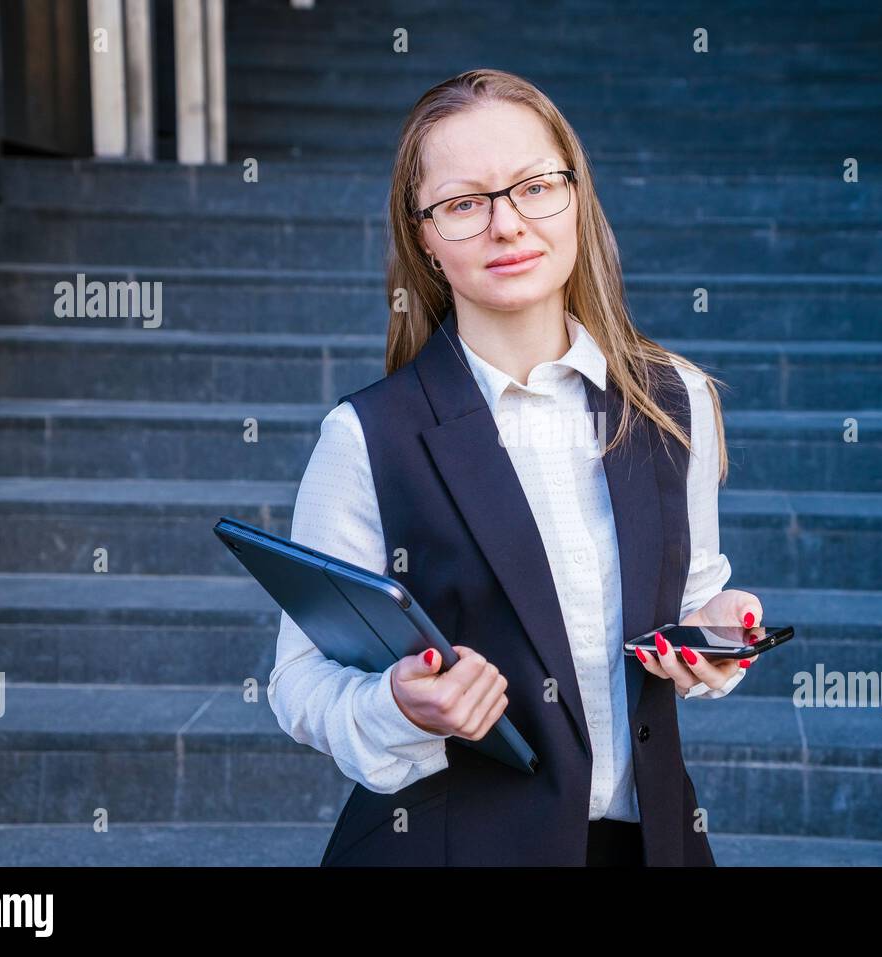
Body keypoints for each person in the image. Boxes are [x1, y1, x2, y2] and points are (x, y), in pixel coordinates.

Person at [267, 68, 763, 867]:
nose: (508, 225)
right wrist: (399, 703)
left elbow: (693, 588)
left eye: (534, 186)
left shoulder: (677, 397)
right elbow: (298, 681)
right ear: (424, 234)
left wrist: (716, 626)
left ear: (575, 195)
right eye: (465, 203)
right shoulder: (367, 435)